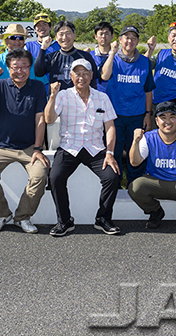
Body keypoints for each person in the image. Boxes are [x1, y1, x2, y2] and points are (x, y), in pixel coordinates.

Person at [0, 49, 49, 234]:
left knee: (40, 175)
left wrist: (38, 148)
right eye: (16, 67)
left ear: (30, 67)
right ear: (9, 68)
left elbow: (40, 119)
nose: (20, 70)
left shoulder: (38, 86)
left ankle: (22, 217)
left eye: (25, 66)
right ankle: (1, 215)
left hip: (29, 147)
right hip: (1, 146)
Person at [44, 59, 120, 237]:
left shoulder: (102, 97)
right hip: (69, 146)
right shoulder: (63, 95)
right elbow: (49, 119)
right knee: (55, 178)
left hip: (95, 147)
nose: (81, 77)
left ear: (91, 75)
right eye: (77, 73)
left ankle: (103, 218)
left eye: (85, 73)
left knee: (112, 176)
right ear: (71, 76)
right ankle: (64, 220)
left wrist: (109, 153)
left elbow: (110, 127)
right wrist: (52, 96)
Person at [128, 101, 176, 231]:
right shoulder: (148, 137)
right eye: (163, 117)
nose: (168, 121)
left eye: (172, 116)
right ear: (156, 121)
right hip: (156, 181)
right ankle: (155, 211)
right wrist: (135, 142)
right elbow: (135, 162)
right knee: (136, 187)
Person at [100, 25, 155, 183]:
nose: (129, 40)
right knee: (114, 153)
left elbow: (148, 91)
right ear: (120, 39)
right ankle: (113, 187)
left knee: (136, 154)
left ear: (137, 41)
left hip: (137, 116)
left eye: (133, 38)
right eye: (126, 37)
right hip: (115, 116)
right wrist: (112, 53)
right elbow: (104, 76)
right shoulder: (113, 59)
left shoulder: (145, 62)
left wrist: (148, 114)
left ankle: (135, 187)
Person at [34, 20, 98, 149]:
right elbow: (38, 71)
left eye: (68, 33)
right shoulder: (52, 56)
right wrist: (43, 49)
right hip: (57, 107)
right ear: (56, 37)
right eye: (61, 34)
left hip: (80, 107)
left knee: (81, 143)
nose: (65, 37)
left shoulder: (85, 56)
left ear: (74, 35)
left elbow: (94, 80)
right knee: (55, 145)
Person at [25, 12, 59, 88]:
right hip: (34, 90)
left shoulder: (60, 45)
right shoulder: (28, 46)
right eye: (38, 25)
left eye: (45, 24)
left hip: (56, 90)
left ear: (50, 27)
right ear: (35, 29)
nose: (41, 27)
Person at [90, 21, 114, 93]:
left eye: (107, 34)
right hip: (95, 97)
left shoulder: (118, 56)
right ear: (96, 36)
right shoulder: (89, 56)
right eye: (101, 34)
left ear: (112, 36)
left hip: (114, 98)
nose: (103, 36)